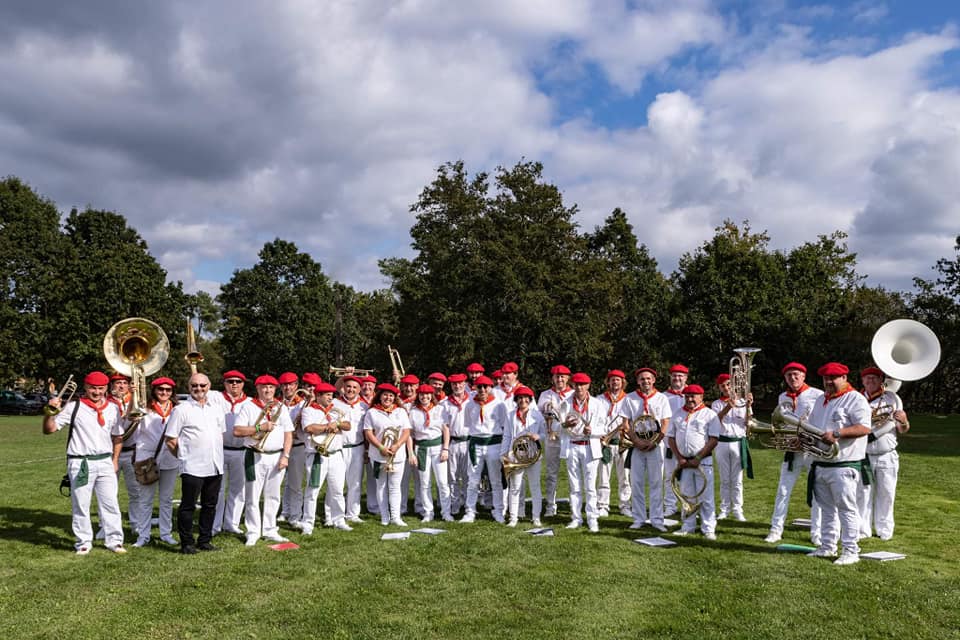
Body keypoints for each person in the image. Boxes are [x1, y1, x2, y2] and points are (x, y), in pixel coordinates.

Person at [43, 371, 126, 555]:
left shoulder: (113, 408)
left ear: (106, 388)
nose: (96, 392)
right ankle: (83, 542)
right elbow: (49, 430)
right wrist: (49, 413)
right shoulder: (73, 407)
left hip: (105, 460)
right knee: (81, 504)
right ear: (86, 387)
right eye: (92, 388)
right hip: (81, 462)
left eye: (101, 388)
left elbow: (118, 436)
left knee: (110, 503)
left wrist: (115, 460)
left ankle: (115, 541)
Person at [806, 362, 871, 566]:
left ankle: (851, 550)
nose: (829, 381)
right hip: (822, 463)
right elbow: (814, 428)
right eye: (826, 378)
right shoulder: (821, 400)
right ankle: (827, 546)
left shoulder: (855, 399)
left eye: (833, 378)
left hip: (844, 464)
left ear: (844, 378)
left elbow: (865, 427)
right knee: (826, 509)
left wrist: (837, 433)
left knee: (846, 508)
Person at [164, 372, 226, 554]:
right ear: (189, 388)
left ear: (209, 386)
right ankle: (187, 543)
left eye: (202, 385)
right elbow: (171, 439)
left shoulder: (215, 408)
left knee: (210, 505)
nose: (198, 389)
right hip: (192, 466)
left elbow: (219, 434)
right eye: (194, 386)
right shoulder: (181, 410)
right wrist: (183, 457)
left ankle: (205, 540)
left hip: (215, 465)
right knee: (188, 506)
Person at [764, 362, 824, 544]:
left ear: (804, 376)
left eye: (796, 374)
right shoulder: (783, 396)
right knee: (783, 490)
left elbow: (820, 420)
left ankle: (817, 533)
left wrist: (806, 436)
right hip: (792, 449)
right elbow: (781, 422)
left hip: (812, 449)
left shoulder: (817, 394)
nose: (793, 378)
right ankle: (775, 530)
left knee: (817, 491)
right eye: (789, 375)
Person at [233, 375, 294, 546]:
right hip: (255, 455)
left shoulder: (281, 408)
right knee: (252, 495)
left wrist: (286, 456)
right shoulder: (248, 407)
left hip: (276, 456)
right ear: (257, 388)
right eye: (263, 387)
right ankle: (253, 531)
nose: (267, 390)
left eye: (271, 387)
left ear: (275, 389)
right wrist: (260, 427)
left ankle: (270, 529)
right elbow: (237, 431)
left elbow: (288, 433)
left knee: (273, 495)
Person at [857, 366, 910, 541]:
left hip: (886, 454)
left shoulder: (892, 398)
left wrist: (903, 421)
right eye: (867, 378)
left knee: (887, 493)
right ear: (862, 381)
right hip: (862, 453)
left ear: (882, 381)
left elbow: (903, 429)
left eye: (874, 378)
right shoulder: (856, 399)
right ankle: (862, 529)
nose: (870, 381)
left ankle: (884, 529)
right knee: (863, 493)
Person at [130, 377, 180, 547]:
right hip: (147, 458)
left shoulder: (178, 409)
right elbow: (130, 418)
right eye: (160, 389)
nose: (164, 393)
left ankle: (166, 533)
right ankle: (143, 535)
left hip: (170, 456)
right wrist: (133, 394)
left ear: (172, 392)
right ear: (154, 390)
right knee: (146, 499)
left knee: (166, 499)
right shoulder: (144, 408)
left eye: (168, 390)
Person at [667, 384, 720, 540]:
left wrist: (698, 458)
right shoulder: (677, 414)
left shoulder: (709, 414)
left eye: (693, 396)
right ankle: (687, 526)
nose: (689, 399)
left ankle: (708, 528)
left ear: (701, 397)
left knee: (706, 496)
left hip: (703, 462)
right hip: (684, 462)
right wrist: (679, 458)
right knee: (687, 496)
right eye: (687, 396)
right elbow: (671, 438)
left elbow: (714, 439)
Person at [624, 367, 673, 531]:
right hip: (637, 446)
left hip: (655, 446)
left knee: (656, 483)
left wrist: (656, 441)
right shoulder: (630, 398)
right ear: (638, 381)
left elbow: (665, 422)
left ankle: (657, 520)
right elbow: (625, 423)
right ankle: (638, 518)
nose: (645, 381)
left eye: (648, 378)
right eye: (642, 379)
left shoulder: (662, 398)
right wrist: (636, 441)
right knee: (636, 482)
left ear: (653, 380)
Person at [300, 381, 351, 534]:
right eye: (327, 395)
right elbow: (309, 428)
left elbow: (348, 425)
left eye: (331, 395)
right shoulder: (309, 411)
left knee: (337, 490)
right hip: (317, 456)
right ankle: (308, 524)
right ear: (318, 396)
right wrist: (327, 427)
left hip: (335, 455)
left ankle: (339, 520)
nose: (330, 398)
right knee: (312, 491)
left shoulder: (336, 409)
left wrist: (338, 424)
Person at [362, 383, 412, 526]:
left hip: (397, 455)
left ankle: (396, 517)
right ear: (379, 396)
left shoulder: (400, 412)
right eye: (385, 395)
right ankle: (385, 516)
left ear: (394, 397)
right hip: (379, 455)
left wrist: (397, 445)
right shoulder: (372, 412)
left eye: (391, 395)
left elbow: (406, 431)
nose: (388, 398)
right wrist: (380, 447)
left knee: (395, 486)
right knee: (381, 486)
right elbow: (368, 432)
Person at [561, 372, 605, 532]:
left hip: (589, 446)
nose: (579, 387)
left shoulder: (597, 404)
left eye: (582, 384)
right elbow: (555, 428)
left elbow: (604, 428)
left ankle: (592, 519)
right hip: (572, 445)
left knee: (590, 486)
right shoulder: (565, 403)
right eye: (576, 384)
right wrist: (565, 425)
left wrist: (592, 430)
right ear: (572, 385)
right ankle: (576, 518)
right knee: (574, 486)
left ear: (588, 386)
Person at [460, 376, 506, 523]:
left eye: (486, 387)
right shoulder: (469, 405)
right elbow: (469, 425)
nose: (483, 390)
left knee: (496, 480)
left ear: (491, 387)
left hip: (494, 444)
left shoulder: (499, 404)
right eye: (479, 387)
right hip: (476, 445)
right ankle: (470, 511)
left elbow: (504, 427)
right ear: (475, 388)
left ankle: (498, 511)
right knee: (473, 480)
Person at [211, 370, 251, 536]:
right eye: (230, 381)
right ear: (225, 383)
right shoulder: (216, 397)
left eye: (238, 381)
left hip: (241, 450)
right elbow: (198, 384)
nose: (234, 384)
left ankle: (232, 523)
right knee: (217, 489)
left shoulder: (249, 402)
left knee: (238, 489)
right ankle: (215, 524)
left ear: (243, 384)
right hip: (220, 450)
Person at [499, 385, 546, 527]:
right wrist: (504, 454)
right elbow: (507, 435)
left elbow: (545, 434)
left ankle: (536, 517)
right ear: (516, 400)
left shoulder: (537, 415)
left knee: (535, 486)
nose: (523, 400)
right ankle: (513, 518)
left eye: (526, 398)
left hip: (533, 455)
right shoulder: (510, 415)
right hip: (516, 456)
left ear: (530, 400)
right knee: (515, 487)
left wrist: (538, 436)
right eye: (520, 398)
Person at [407, 384, 452, 522]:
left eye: (427, 394)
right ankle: (428, 512)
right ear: (418, 396)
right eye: (421, 394)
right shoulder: (413, 412)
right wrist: (411, 453)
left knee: (442, 482)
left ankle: (446, 512)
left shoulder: (439, 409)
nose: (424, 397)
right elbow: (409, 434)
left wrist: (445, 448)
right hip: (421, 449)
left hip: (438, 448)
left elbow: (445, 430)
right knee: (424, 483)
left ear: (431, 395)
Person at [710, 373, 752, 521]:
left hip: (738, 442)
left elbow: (748, 423)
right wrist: (729, 406)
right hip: (722, 443)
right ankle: (724, 509)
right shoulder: (716, 404)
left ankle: (737, 509)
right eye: (723, 386)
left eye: (729, 384)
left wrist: (748, 406)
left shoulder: (742, 401)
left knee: (737, 480)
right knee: (725, 479)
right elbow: (716, 420)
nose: (727, 388)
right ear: (719, 388)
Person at [537, 364, 573, 517]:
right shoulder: (545, 394)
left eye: (563, 376)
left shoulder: (573, 393)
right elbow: (539, 415)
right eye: (557, 376)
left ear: (567, 378)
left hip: (571, 438)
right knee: (552, 473)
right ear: (552, 378)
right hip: (552, 437)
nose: (560, 379)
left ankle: (574, 506)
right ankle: (551, 506)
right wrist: (547, 409)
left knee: (573, 473)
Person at [109, 373, 142, 535]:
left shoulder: (136, 401)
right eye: (117, 383)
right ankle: (106, 525)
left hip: (131, 452)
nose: (121, 386)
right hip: (110, 452)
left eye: (124, 383)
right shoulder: (107, 403)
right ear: (112, 386)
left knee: (135, 491)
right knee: (108, 492)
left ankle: (136, 523)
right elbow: (121, 425)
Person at [596, 369, 631, 518]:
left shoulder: (629, 399)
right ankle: (603, 505)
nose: (615, 382)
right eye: (612, 380)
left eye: (618, 380)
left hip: (623, 442)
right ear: (608, 382)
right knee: (603, 475)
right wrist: (600, 435)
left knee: (625, 476)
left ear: (623, 382)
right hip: (605, 443)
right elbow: (595, 419)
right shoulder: (599, 399)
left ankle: (625, 505)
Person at [335, 375, 369, 524]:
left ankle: (353, 514)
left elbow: (367, 430)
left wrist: (367, 450)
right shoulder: (335, 403)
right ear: (343, 387)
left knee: (355, 482)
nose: (351, 390)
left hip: (358, 447)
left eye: (355, 387)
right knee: (336, 483)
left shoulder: (364, 406)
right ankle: (335, 514)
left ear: (359, 389)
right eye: (348, 386)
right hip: (339, 448)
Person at [278, 371, 307, 526]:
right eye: (284, 385)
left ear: (296, 386)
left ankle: (296, 515)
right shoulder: (277, 403)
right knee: (281, 482)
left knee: (295, 483)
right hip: (279, 447)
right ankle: (285, 511)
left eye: (291, 384)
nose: (288, 387)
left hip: (297, 446)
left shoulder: (303, 404)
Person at [441, 373, 471, 515]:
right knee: (452, 476)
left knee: (467, 475)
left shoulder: (472, 400)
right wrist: (445, 447)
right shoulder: (445, 403)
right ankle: (454, 503)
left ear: (465, 384)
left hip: (469, 441)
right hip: (453, 442)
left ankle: (467, 503)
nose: (457, 386)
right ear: (451, 385)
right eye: (454, 384)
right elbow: (445, 426)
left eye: (460, 383)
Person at [662, 364, 689, 517]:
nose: (677, 378)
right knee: (669, 476)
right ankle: (670, 505)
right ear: (670, 377)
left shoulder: (692, 394)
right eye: (674, 375)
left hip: (688, 444)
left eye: (681, 376)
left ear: (686, 378)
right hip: (669, 443)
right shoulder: (663, 396)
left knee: (689, 476)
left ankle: (688, 504)